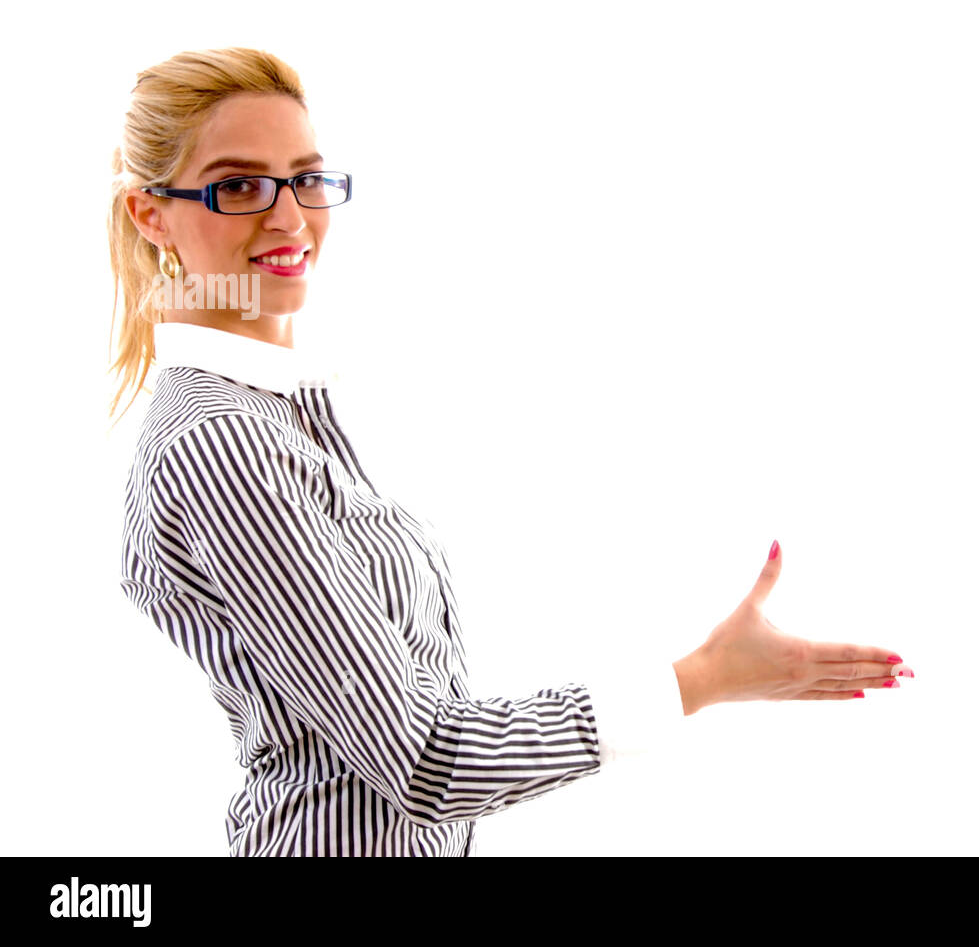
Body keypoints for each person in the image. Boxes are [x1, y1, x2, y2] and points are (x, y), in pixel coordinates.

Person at [109, 47, 915, 856]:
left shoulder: (285, 414)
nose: (289, 219)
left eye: (308, 179)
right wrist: (703, 678)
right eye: (239, 186)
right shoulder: (221, 443)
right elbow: (427, 759)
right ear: (153, 213)